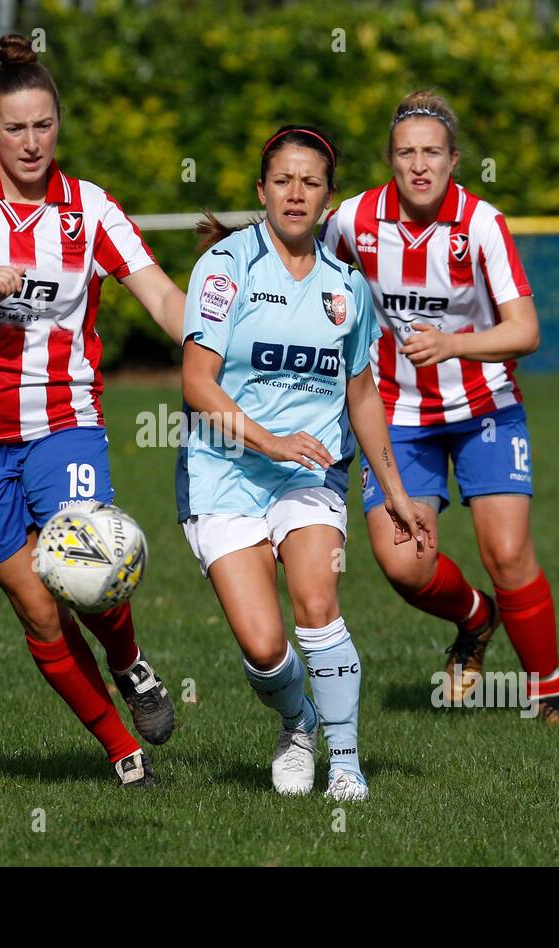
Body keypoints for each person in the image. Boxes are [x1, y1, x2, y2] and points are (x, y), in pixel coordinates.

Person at [0, 34, 186, 787]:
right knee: (41, 610)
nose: (31, 142)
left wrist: (222, 349)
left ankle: (130, 662)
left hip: (62, 418)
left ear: (60, 124)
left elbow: (159, 295)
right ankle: (124, 752)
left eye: (44, 125)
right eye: (15, 127)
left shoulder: (88, 207)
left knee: (89, 566)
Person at [179, 125, 437, 801]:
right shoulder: (226, 267)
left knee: (318, 601)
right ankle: (299, 721)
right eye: (284, 180)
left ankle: (346, 763)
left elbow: (361, 396)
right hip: (223, 472)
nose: (297, 193)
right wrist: (268, 441)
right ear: (262, 190)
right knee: (264, 648)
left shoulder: (348, 286)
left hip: (311, 473)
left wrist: (396, 492)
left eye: (311, 182)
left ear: (328, 198)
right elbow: (197, 385)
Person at [321, 90, 559, 722]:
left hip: (485, 407)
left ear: (454, 159)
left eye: (432, 152)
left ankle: (549, 694)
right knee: (406, 566)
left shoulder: (482, 224)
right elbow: (303, 260)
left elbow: (526, 331)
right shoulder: (354, 220)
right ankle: (476, 618)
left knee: (509, 553)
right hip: (395, 417)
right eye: (405, 152)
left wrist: (453, 344)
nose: (419, 164)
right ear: (390, 159)